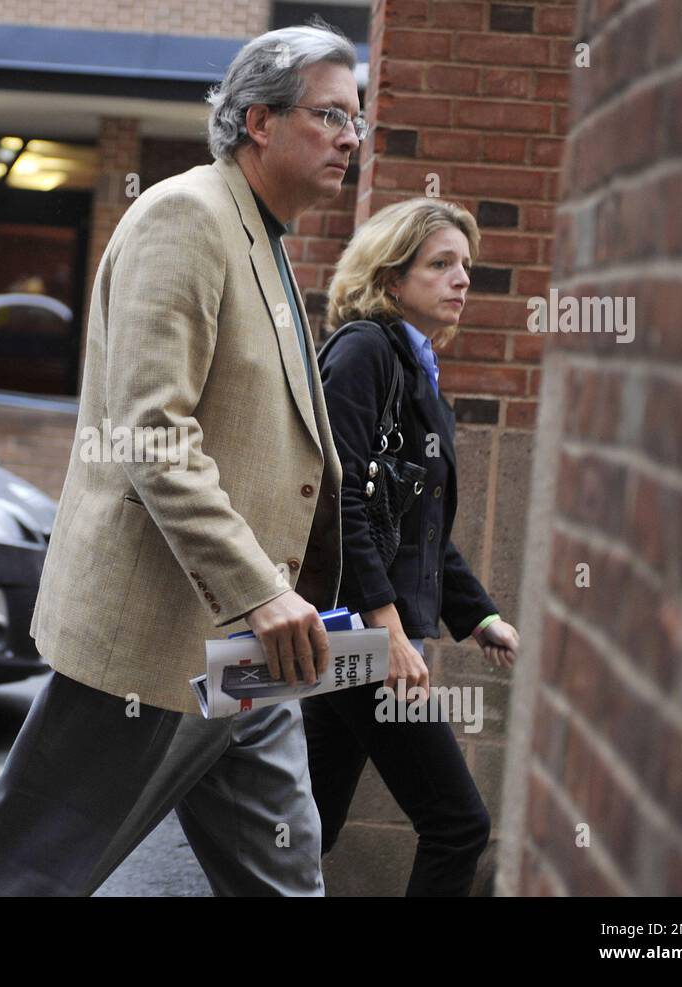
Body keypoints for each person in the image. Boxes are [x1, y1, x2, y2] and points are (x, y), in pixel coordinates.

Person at [0, 21, 363, 896]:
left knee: (286, 880)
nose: (351, 139)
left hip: (247, 656)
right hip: (155, 637)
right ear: (259, 119)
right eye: (331, 116)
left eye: (355, 121)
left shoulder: (267, 236)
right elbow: (152, 435)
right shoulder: (187, 217)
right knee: (24, 877)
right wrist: (260, 587)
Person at [302, 197, 520, 896]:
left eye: (466, 265)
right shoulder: (367, 351)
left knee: (307, 827)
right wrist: (387, 624)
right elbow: (338, 498)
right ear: (393, 278)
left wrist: (478, 614)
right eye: (441, 264)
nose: (462, 279)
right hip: (356, 635)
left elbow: (418, 523)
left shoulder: (415, 367)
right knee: (457, 823)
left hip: (355, 634)